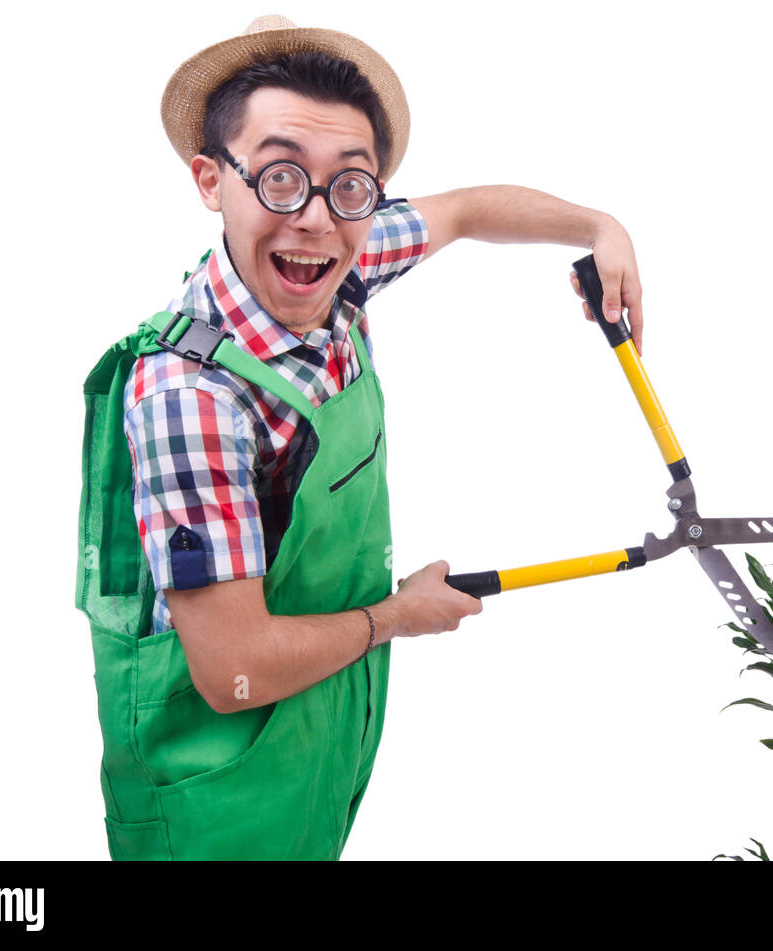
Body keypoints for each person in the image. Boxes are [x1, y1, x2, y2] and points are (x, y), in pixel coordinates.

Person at [74, 15, 645, 860]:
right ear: (210, 178)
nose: (313, 220)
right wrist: (397, 616)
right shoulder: (192, 397)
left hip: (317, 743)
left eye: (348, 186)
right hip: (214, 799)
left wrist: (600, 227)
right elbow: (234, 670)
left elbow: (465, 210)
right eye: (278, 178)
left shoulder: (345, 253)